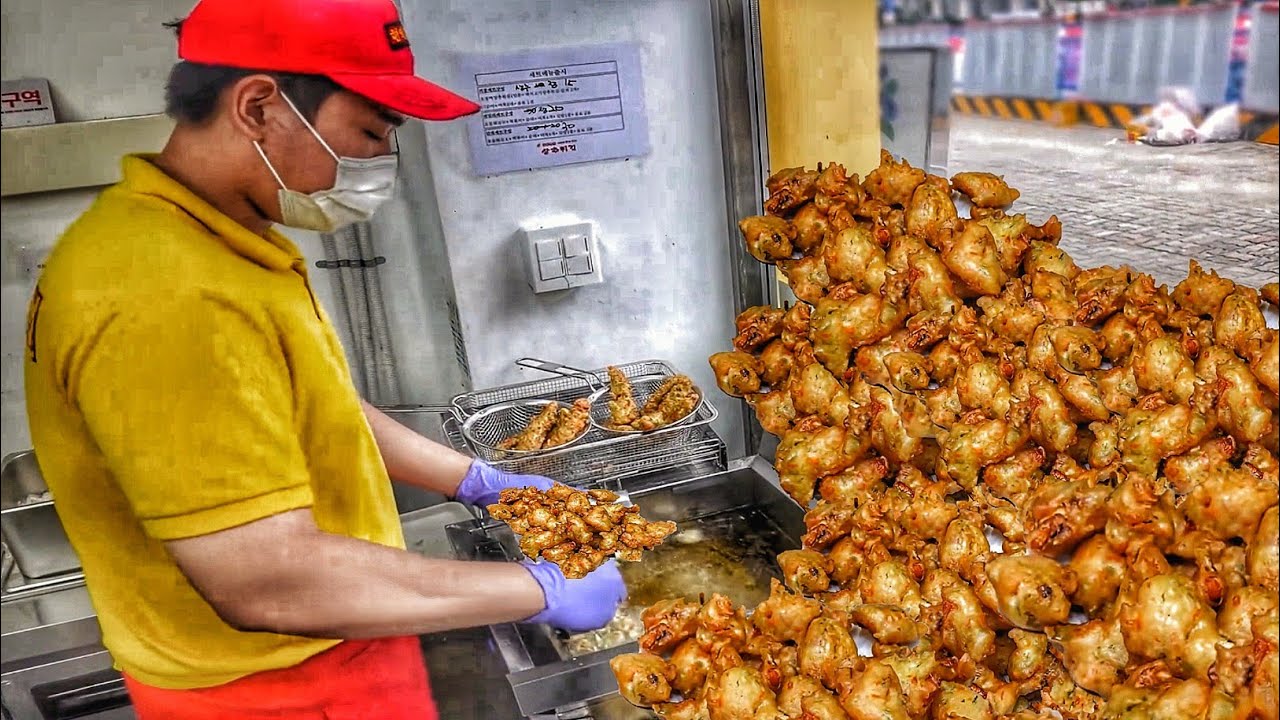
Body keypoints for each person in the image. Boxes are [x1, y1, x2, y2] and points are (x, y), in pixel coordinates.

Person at [21, 0, 626, 718]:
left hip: (337, 637)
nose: (380, 161)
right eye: (371, 131)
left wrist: (475, 479)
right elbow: (267, 581)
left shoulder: (203, 238)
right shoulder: (169, 294)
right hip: (278, 686)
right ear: (257, 106)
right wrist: (540, 590)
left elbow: (314, 406)